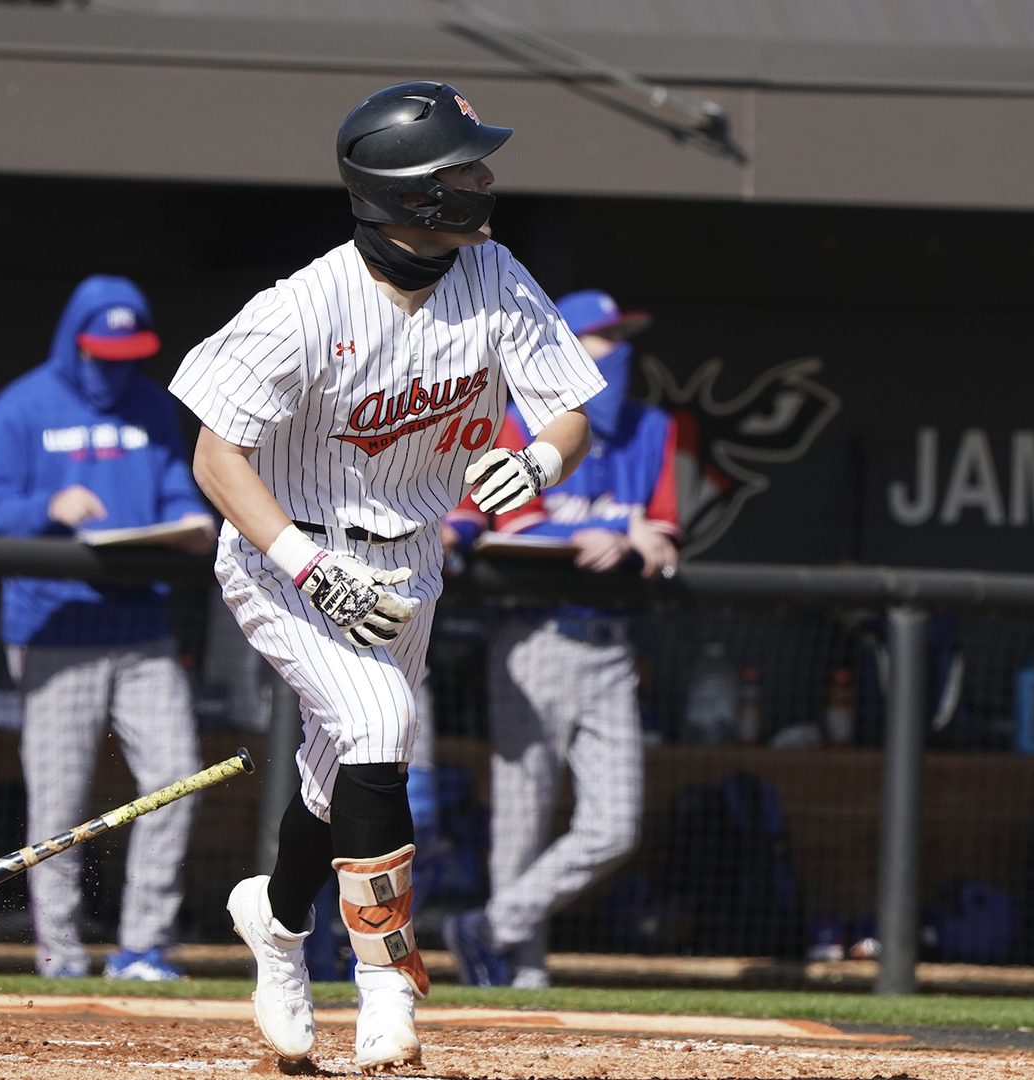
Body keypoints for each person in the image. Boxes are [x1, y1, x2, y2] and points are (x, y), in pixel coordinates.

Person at [170, 82, 603, 1069]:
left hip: (410, 559)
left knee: (341, 771)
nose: (484, 178)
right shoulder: (304, 305)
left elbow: (571, 412)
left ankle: (276, 926)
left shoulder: (493, 275)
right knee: (379, 729)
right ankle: (386, 988)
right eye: (461, 168)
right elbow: (215, 457)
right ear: (411, 193)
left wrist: (538, 461)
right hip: (289, 553)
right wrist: (308, 568)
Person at [0, 274, 215, 981]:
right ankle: (61, 953)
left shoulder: (151, 407)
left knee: (175, 778)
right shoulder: (20, 408)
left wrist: (195, 523)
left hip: (142, 627)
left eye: (128, 352)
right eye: (104, 353)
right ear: (75, 344)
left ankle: (143, 947)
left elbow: (174, 489)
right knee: (59, 802)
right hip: (54, 629)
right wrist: (49, 505)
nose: (116, 367)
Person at [437, 289, 681, 989]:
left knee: (616, 825)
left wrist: (652, 538)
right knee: (521, 819)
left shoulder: (652, 428)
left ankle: (490, 929)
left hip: (610, 645)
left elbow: (663, 522)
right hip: (535, 635)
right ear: (566, 347)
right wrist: (584, 535)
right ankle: (521, 971)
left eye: (622, 336)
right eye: (603, 338)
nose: (620, 350)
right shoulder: (517, 422)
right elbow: (486, 518)